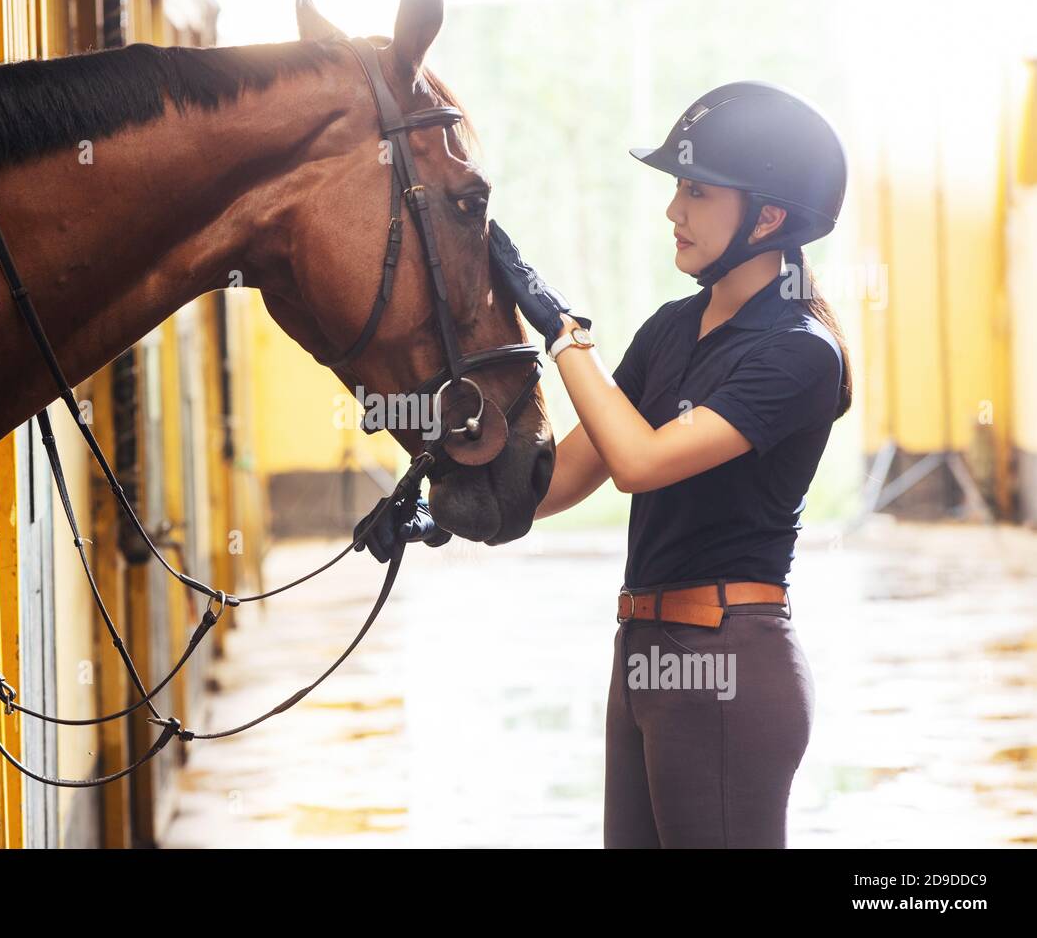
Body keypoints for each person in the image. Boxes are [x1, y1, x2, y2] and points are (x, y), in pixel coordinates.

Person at [361, 80, 852, 848]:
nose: (673, 210)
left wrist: (562, 332)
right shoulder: (671, 330)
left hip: (726, 660)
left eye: (696, 190)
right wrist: (439, 502)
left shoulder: (797, 352)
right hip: (646, 656)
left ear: (771, 216)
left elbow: (640, 462)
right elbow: (563, 478)